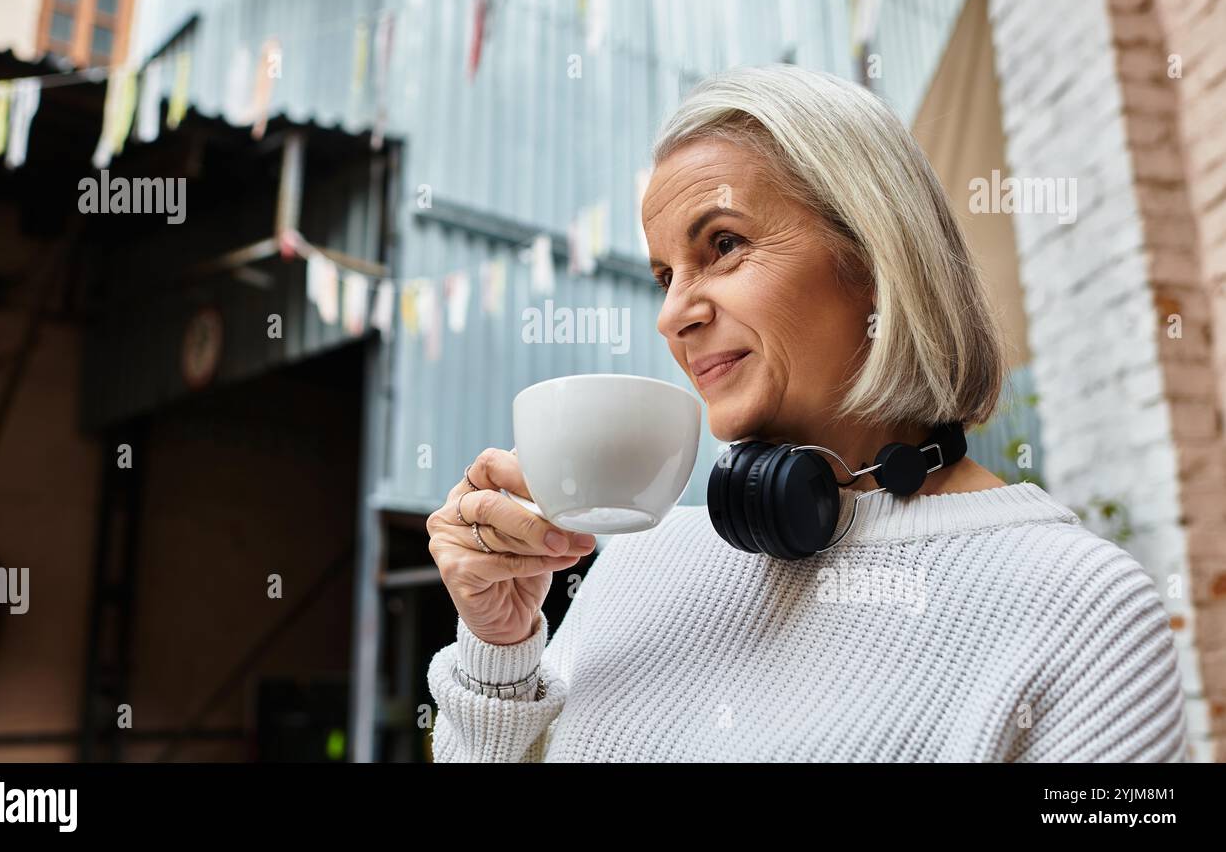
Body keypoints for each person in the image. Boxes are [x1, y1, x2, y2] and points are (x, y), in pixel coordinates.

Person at [423, 64, 1189, 762]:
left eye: (723, 245)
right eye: (664, 274)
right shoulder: (639, 562)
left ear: (875, 255)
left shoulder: (1087, 608)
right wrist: (500, 648)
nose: (672, 315)